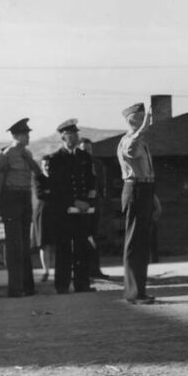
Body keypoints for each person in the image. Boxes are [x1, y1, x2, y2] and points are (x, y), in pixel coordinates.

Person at [0, 118, 40, 297]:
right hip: (11, 198)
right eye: (25, 134)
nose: (28, 137)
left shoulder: (27, 153)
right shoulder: (7, 154)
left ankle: (28, 286)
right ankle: (15, 288)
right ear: (16, 136)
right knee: (15, 245)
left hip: (25, 196)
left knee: (25, 244)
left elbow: (36, 174)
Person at [118, 103, 162, 304]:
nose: (148, 121)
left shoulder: (141, 141)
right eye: (143, 117)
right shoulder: (130, 141)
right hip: (135, 190)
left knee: (142, 244)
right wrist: (141, 129)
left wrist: (154, 199)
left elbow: (146, 173)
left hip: (144, 190)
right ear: (133, 120)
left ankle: (139, 291)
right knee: (135, 243)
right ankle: (133, 293)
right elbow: (131, 151)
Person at [48, 119, 97, 294]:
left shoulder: (84, 157)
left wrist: (89, 202)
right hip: (64, 211)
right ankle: (62, 285)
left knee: (82, 247)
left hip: (83, 210)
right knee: (64, 249)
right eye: (71, 134)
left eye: (76, 134)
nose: (75, 137)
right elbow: (56, 188)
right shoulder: (55, 159)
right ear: (63, 136)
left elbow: (91, 182)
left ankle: (82, 285)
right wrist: (73, 201)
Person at [78, 137, 110, 280]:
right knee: (84, 236)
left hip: (96, 204)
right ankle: (85, 271)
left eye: (89, 149)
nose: (87, 152)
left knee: (95, 236)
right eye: (84, 150)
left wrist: (101, 198)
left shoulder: (97, 163)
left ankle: (96, 270)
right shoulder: (77, 163)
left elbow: (102, 182)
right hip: (83, 205)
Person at [30, 154, 56, 283]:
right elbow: (40, 194)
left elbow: (59, 192)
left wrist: (50, 192)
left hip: (56, 213)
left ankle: (57, 271)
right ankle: (46, 271)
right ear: (41, 166)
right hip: (43, 214)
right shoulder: (38, 178)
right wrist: (52, 192)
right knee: (44, 244)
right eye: (45, 165)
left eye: (49, 165)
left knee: (56, 244)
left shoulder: (57, 178)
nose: (47, 167)